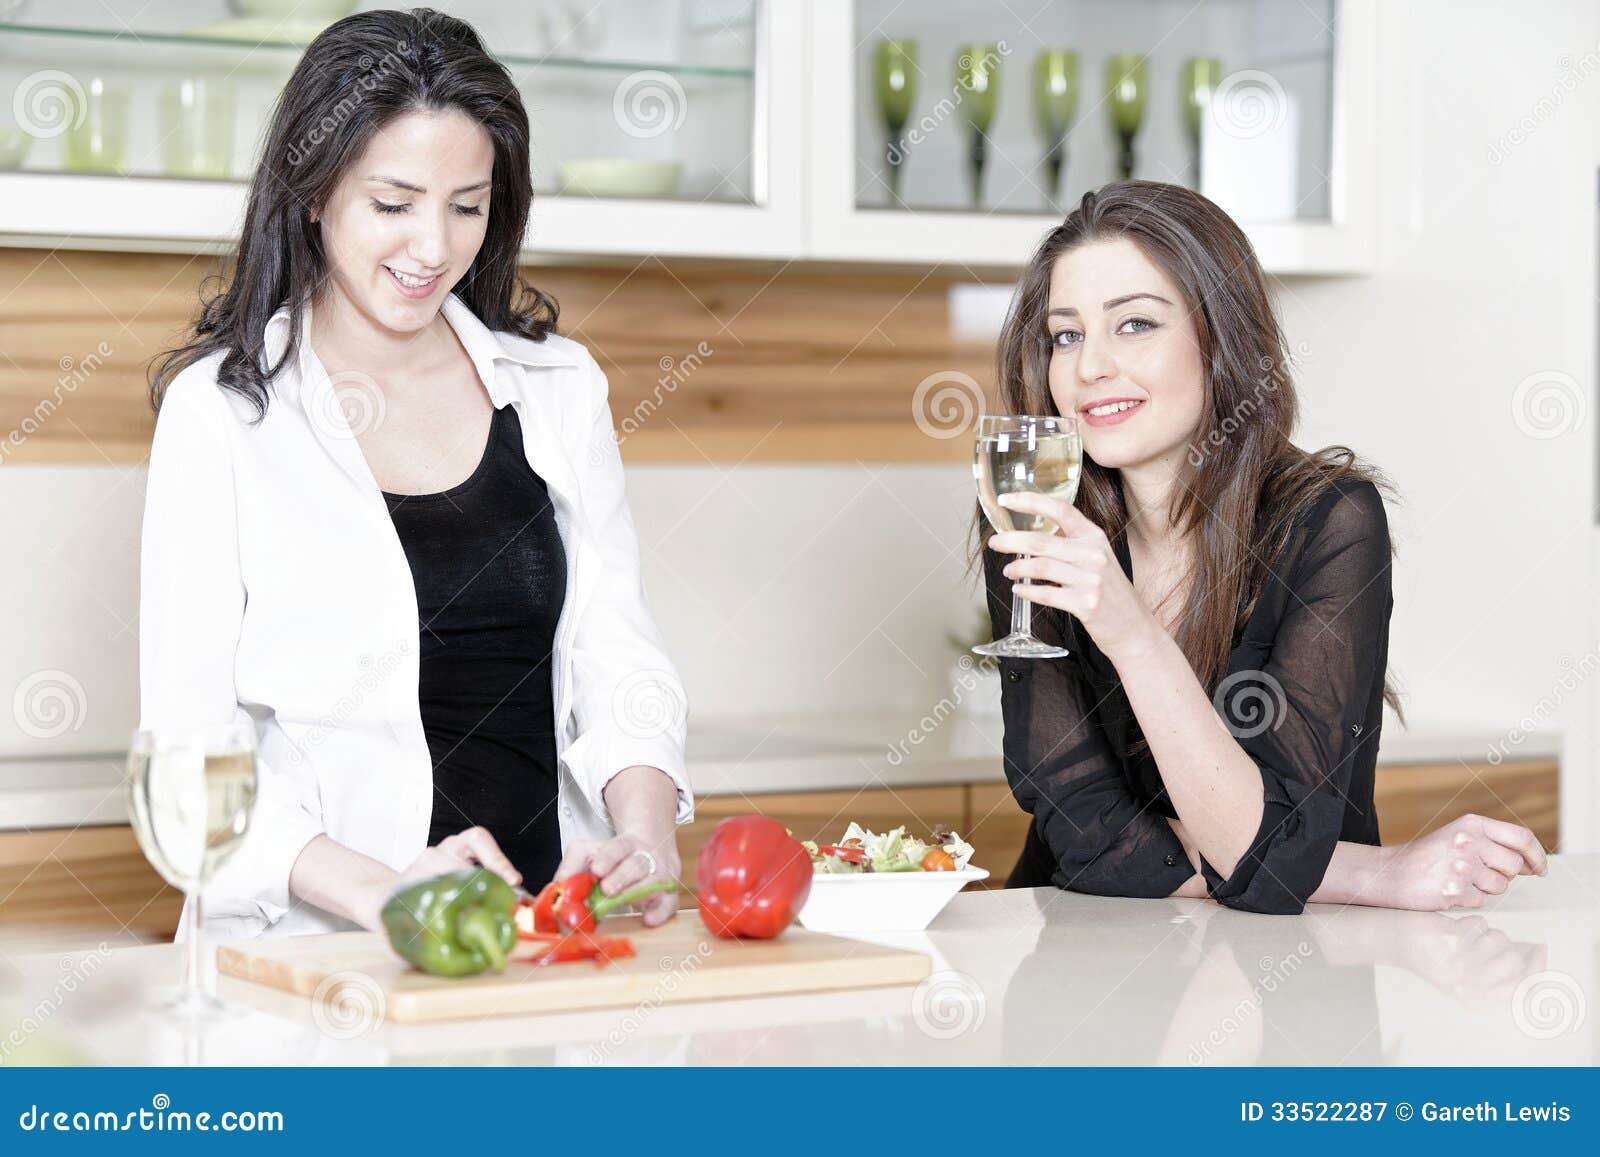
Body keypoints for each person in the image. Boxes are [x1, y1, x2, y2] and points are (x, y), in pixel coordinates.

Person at [141, 9, 690, 940]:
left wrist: (645, 829)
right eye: (393, 204)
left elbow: (617, 655)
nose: (432, 248)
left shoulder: (557, 390)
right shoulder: (223, 414)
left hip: (548, 940)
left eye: (466, 205)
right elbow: (190, 760)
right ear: (313, 193)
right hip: (326, 957)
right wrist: (381, 891)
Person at [980, 180, 1546, 915]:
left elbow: (1272, 847)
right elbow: (1089, 837)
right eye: (1066, 334)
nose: (1089, 368)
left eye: (1135, 325)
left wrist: (1129, 631)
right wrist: (1370, 873)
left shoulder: (1328, 520)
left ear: (1221, 336)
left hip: (1293, 971)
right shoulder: (1036, 520)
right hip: (1082, 950)